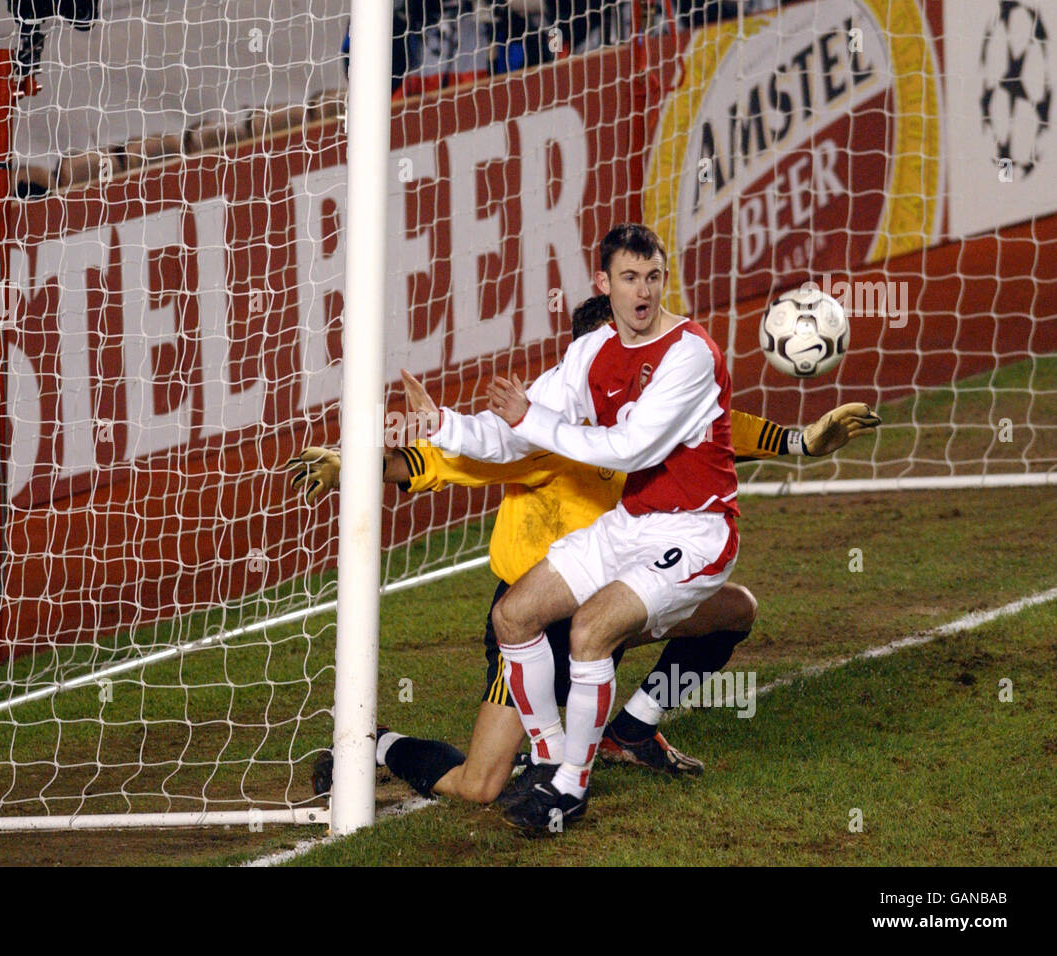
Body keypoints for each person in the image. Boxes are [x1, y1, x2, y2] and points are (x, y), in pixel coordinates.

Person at [293, 292, 879, 808]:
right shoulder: (538, 436)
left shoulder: (664, 408)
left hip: (617, 595)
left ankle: (632, 730)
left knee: (734, 611)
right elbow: (424, 461)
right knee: (481, 785)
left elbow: (729, 430)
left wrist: (806, 441)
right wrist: (351, 465)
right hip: (535, 620)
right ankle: (378, 744)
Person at [404, 223, 769, 833]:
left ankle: (570, 789)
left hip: (695, 532)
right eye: (629, 278)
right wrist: (444, 424)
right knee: (514, 615)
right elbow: (513, 432)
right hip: (632, 524)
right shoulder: (590, 351)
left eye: (653, 277)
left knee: (590, 631)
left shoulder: (691, 353)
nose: (643, 292)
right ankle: (550, 754)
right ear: (605, 284)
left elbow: (628, 448)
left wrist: (531, 418)